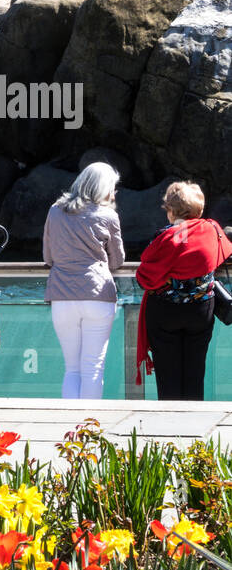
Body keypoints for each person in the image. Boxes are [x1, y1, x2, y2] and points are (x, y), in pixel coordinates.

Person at [135, 181, 232, 400]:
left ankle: (170, 428)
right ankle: (194, 427)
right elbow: (225, 250)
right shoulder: (211, 229)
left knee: (167, 375)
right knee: (195, 373)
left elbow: (145, 278)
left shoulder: (164, 237)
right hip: (201, 310)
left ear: (171, 210)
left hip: (164, 313)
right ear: (198, 208)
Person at [42, 162, 125, 401]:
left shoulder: (55, 211)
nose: (114, 193)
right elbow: (117, 261)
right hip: (98, 295)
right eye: (112, 188)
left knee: (72, 368)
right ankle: (90, 428)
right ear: (103, 188)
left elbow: (48, 257)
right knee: (93, 367)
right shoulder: (109, 215)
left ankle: (70, 427)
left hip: (61, 296)